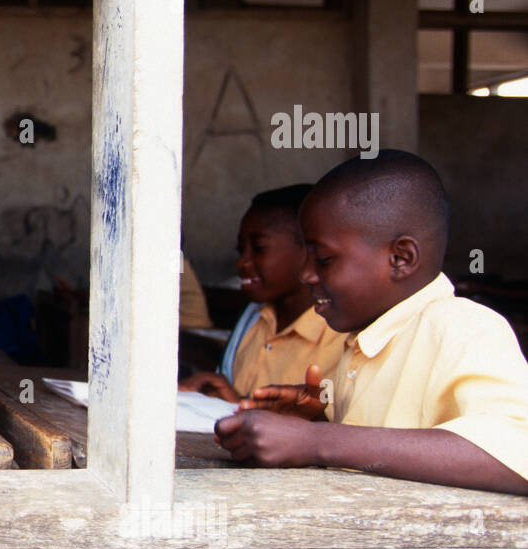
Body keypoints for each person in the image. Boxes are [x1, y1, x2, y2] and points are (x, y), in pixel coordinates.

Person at [215, 150, 528, 495]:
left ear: (400, 258)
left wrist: (317, 440)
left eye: (323, 259)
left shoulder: (462, 326)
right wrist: (316, 419)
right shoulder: (363, 343)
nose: (306, 274)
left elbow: (517, 451)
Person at [181, 184, 347, 401]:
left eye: (258, 248)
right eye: (241, 250)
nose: (242, 262)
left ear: (308, 251)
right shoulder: (253, 315)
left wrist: (242, 407)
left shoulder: (341, 336)